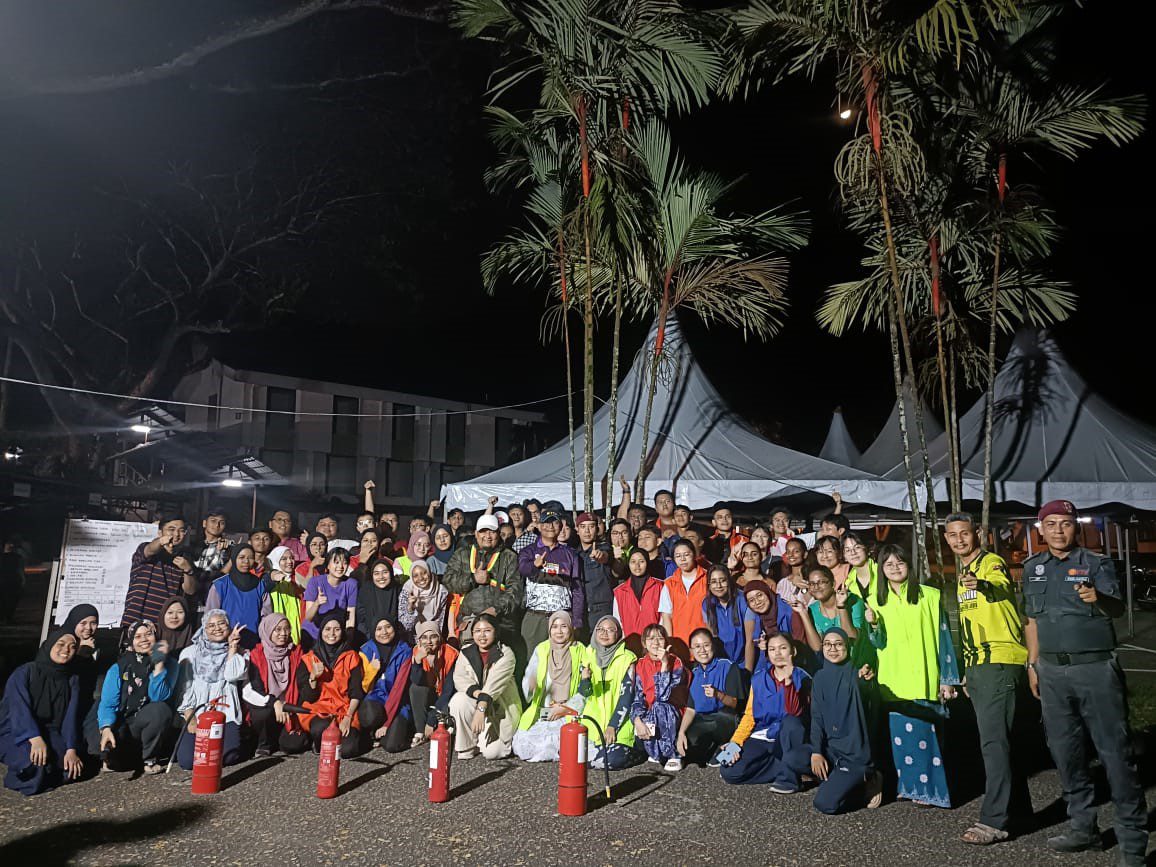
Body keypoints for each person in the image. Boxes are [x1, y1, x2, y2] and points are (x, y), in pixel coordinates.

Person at [1023, 501, 1147, 864]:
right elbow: (1031, 620)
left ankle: (1133, 844)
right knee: (1066, 754)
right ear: (1040, 530)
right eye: (1052, 524)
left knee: (1115, 755)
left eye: (1066, 524)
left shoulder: (1097, 564)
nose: (1059, 530)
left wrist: (1099, 599)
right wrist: (1033, 665)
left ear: (1075, 528)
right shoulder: (1032, 569)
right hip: (1052, 672)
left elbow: (1118, 608)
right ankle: (1083, 829)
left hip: (1095, 670)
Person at [941, 513, 1030, 844]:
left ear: (977, 534)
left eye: (964, 533)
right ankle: (1018, 811)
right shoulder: (963, 571)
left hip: (999, 659)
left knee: (993, 743)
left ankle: (994, 819)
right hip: (978, 665)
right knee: (998, 740)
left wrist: (984, 584)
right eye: (952, 535)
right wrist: (965, 670)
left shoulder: (990, 563)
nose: (959, 540)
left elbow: (1000, 585)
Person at [866, 543, 960, 808]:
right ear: (882, 570)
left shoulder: (929, 595)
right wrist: (873, 623)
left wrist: (948, 678)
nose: (895, 568)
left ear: (909, 565)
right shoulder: (876, 601)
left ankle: (930, 791)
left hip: (924, 677)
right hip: (894, 681)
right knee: (901, 740)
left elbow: (944, 638)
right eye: (889, 564)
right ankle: (908, 787)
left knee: (927, 738)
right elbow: (878, 643)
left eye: (900, 562)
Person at [717, 632, 811, 792]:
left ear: (792, 652)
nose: (778, 653)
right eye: (772, 649)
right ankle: (783, 768)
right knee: (727, 770)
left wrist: (789, 683)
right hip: (761, 735)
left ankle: (790, 774)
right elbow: (749, 717)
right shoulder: (759, 678)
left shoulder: (804, 678)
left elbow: (797, 714)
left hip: (787, 739)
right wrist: (735, 743)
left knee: (791, 722)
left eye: (783, 648)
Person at [0, 629, 84, 795]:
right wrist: (35, 738)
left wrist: (71, 748)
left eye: (72, 646)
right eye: (60, 644)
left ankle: (48, 771)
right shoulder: (25, 672)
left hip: (49, 731)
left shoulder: (71, 679)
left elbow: (70, 717)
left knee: (70, 767)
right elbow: (18, 709)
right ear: (49, 645)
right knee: (34, 764)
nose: (66, 650)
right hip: (15, 731)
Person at [87, 620, 178, 773]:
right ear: (131, 642)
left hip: (143, 724)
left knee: (160, 709)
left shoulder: (171, 664)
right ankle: (114, 756)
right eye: (137, 636)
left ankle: (149, 758)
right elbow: (108, 704)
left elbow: (159, 697)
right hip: (121, 724)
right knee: (115, 756)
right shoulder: (119, 667)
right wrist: (106, 728)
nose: (143, 639)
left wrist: (159, 666)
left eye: (149, 634)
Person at [808, 627, 882, 813]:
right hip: (832, 751)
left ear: (848, 647)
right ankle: (838, 779)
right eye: (827, 644)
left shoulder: (855, 674)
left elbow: (865, 689)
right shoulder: (820, 677)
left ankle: (868, 779)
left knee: (825, 803)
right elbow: (816, 717)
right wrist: (816, 752)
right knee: (795, 758)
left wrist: (866, 680)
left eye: (838, 644)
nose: (832, 649)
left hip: (854, 756)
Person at [174, 609, 249, 770]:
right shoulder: (190, 653)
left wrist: (232, 648)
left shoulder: (240, 653)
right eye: (211, 625)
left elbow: (232, 675)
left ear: (228, 627)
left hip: (225, 713)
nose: (217, 628)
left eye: (221, 623)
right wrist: (190, 717)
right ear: (203, 629)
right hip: (198, 713)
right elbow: (184, 689)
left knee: (229, 756)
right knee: (187, 761)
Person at [514, 611, 589, 762]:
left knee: (567, 745)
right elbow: (530, 677)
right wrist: (531, 686)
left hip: (569, 711)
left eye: (563, 626)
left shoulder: (581, 650)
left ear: (571, 628)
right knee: (523, 746)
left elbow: (585, 689)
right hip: (544, 710)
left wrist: (564, 708)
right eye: (554, 627)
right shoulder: (542, 649)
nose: (559, 631)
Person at [443, 515, 523, 650]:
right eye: (483, 531)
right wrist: (473, 579)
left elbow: (516, 590)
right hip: (469, 622)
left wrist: (495, 610)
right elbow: (447, 581)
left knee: (499, 667)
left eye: (492, 531)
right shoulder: (462, 554)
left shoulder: (509, 557)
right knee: (470, 666)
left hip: (501, 623)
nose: (488, 535)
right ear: (476, 533)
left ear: (498, 533)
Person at [449, 614, 522, 760]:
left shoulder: (505, 654)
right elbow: (460, 678)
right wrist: (477, 694)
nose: (482, 635)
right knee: (459, 699)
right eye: (477, 631)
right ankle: (467, 744)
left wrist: (481, 708)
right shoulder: (466, 651)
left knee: (493, 753)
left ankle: (485, 737)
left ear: (495, 632)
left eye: (487, 630)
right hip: (478, 705)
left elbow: (492, 686)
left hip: (498, 708)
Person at [299, 610, 365, 758]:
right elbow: (308, 697)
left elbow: (356, 692)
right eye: (327, 629)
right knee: (320, 729)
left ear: (342, 631)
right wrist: (313, 678)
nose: (332, 633)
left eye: (337, 629)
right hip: (318, 709)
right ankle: (317, 742)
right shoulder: (308, 658)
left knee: (348, 750)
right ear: (321, 631)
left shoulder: (351, 656)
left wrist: (348, 717)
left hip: (343, 709)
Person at [244, 612, 311, 756]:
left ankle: (280, 738)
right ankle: (264, 743)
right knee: (261, 713)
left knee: (295, 745)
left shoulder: (296, 652)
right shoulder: (256, 655)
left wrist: (287, 705)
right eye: (278, 629)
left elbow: (301, 684)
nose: (283, 634)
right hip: (267, 705)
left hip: (289, 706)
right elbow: (256, 688)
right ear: (268, 631)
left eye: (287, 629)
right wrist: (275, 703)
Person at [582, 615, 643, 770]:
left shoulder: (627, 658)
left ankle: (635, 753)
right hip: (593, 721)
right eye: (600, 629)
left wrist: (612, 726)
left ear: (618, 634)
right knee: (569, 752)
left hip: (619, 722)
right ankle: (597, 755)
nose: (604, 633)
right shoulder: (588, 654)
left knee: (613, 760)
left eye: (610, 630)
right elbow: (585, 693)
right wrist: (585, 681)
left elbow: (627, 696)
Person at [677, 627, 743, 767]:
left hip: (725, 720)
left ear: (713, 646)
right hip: (704, 721)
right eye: (697, 646)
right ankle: (713, 752)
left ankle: (725, 749)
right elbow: (690, 709)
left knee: (724, 717)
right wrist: (681, 733)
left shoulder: (728, 666)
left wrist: (718, 694)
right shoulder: (693, 672)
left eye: (706, 645)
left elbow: (735, 704)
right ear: (691, 651)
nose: (702, 650)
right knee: (688, 748)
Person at [518, 511, 584, 648]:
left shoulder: (570, 554)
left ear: (560, 526)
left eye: (555, 522)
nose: (550, 526)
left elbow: (577, 589)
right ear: (540, 526)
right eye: (546, 522)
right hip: (535, 617)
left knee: (562, 662)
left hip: (562, 618)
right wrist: (534, 565)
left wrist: (577, 621)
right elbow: (523, 570)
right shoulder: (528, 551)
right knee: (532, 663)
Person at [121, 514, 198, 630]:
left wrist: (188, 570)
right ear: (160, 533)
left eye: (181, 531)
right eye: (171, 530)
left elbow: (190, 590)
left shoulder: (185, 559)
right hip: (135, 624)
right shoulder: (145, 550)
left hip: (165, 626)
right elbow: (150, 549)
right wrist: (161, 542)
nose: (176, 535)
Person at [630, 623, 687, 772]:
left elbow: (663, 695)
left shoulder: (676, 662)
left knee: (660, 705)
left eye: (660, 638)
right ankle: (657, 750)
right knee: (643, 712)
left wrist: (664, 664)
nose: (655, 643)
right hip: (651, 713)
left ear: (666, 642)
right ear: (644, 643)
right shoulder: (640, 664)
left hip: (672, 711)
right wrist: (637, 720)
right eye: (650, 639)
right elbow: (638, 697)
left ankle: (674, 754)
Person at [358, 617, 413, 753]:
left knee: (392, 746)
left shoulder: (405, 651)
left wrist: (387, 724)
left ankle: (388, 732)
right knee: (369, 715)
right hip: (375, 699)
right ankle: (372, 732)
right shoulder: (366, 650)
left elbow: (398, 690)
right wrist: (372, 670)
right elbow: (363, 688)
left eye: (388, 627)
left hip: (398, 703)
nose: (384, 632)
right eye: (379, 628)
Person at [204, 544, 271, 639]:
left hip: (253, 639)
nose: (246, 561)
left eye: (250, 558)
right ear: (234, 558)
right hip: (225, 640)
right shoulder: (220, 585)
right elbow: (210, 615)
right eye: (241, 557)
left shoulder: (260, 585)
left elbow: (266, 616)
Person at [408, 621, 459, 748]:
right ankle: (420, 732)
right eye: (424, 638)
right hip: (429, 694)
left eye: (433, 636)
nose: (428, 641)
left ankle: (439, 726)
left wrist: (431, 720)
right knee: (415, 689)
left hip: (446, 695)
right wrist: (418, 662)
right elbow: (417, 681)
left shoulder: (451, 654)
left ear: (440, 638)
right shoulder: (416, 651)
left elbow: (449, 689)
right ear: (419, 640)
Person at [702, 565, 757, 671]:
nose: (718, 585)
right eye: (713, 582)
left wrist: (747, 672)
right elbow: (713, 638)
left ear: (729, 581)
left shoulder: (743, 601)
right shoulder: (707, 604)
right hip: (723, 663)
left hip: (744, 660)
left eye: (722, 580)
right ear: (709, 585)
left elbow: (750, 641)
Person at [801, 566, 863, 660]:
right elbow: (817, 647)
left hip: (857, 659)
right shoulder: (812, 609)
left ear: (833, 584)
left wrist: (842, 606)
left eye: (821, 582)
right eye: (812, 584)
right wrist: (803, 613)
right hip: (831, 662)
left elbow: (852, 638)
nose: (816, 587)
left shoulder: (853, 600)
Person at [659, 539, 708, 651]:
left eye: (686, 554)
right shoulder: (669, 584)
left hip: (703, 643)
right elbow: (667, 617)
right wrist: (670, 643)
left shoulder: (708, 578)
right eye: (678, 556)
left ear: (694, 555)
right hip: (679, 644)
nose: (682, 559)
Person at [613, 550, 665, 651]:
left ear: (647, 563)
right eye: (633, 562)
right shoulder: (620, 591)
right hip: (630, 645)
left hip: (655, 644)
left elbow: (664, 618)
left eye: (641, 561)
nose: (637, 566)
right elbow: (618, 621)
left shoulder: (660, 586)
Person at [303, 548, 358, 641]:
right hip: (314, 633)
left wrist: (349, 638)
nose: (340, 566)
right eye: (336, 562)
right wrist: (317, 603)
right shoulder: (314, 582)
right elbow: (308, 617)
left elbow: (350, 616)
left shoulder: (351, 584)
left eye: (344, 563)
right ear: (328, 565)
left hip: (336, 634)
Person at [575, 512, 615, 628]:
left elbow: (606, 556)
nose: (587, 531)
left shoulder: (605, 548)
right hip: (581, 609)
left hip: (601, 609)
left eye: (591, 526)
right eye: (583, 527)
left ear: (597, 529)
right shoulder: (574, 553)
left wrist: (601, 556)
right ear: (577, 530)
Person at [60, 603, 101, 711]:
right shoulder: (60, 642)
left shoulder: (92, 643)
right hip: (63, 697)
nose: (88, 628)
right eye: (83, 623)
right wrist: (82, 651)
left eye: (93, 623)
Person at [743, 579, 806, 647]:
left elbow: (801, 645)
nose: (757, 602)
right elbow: (755, 641)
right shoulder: (756, 618)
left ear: (767, 593)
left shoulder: (790, 612)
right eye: (751, 600)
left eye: (759, 595)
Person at [399, 560, 448, 639]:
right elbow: (406, 626)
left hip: (433, 635)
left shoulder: (441, 591)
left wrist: (433, 638)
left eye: (424, 573)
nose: (421, 578)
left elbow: (440, 621)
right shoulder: (407, 591)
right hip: (412, 636)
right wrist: (410, 608)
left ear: (429, 572)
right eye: (416, 575)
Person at [265, 546, 305, 644]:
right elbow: (271, 577)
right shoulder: (269, 579)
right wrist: (275, 575)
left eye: (291, 558)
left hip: (296, 630)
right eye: (283, 559)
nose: (289, 561)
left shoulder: (296, 579)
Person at [355, 557, 400, 639]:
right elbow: (361, 619)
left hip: (395, 638)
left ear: (391, 573)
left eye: (385, 572)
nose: (381, 577)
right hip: (370, 639)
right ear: (372, 575)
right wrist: (371, 636)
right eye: (376, 573)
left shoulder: (398, 590)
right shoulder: (366, 591)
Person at [192, 507, 232, 585]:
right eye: (213, 521)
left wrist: (221, 552)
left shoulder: (228, 548)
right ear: (204, 523)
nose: (217, 525)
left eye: (222, 522)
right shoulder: (193, 545)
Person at [774, 537, 812, 609]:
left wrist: (803, 588)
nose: (791, 555)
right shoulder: (782, 583)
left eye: (796, 551)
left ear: (805, 554)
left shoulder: (811, 579)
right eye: (788, 552)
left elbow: (813, 604)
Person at [843, 532, 878, 599]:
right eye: (847, 550)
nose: (853, 552)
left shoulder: (883, 572)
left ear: (867, 549)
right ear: (844, 557)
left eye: (857, 547)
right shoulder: (848, 583)